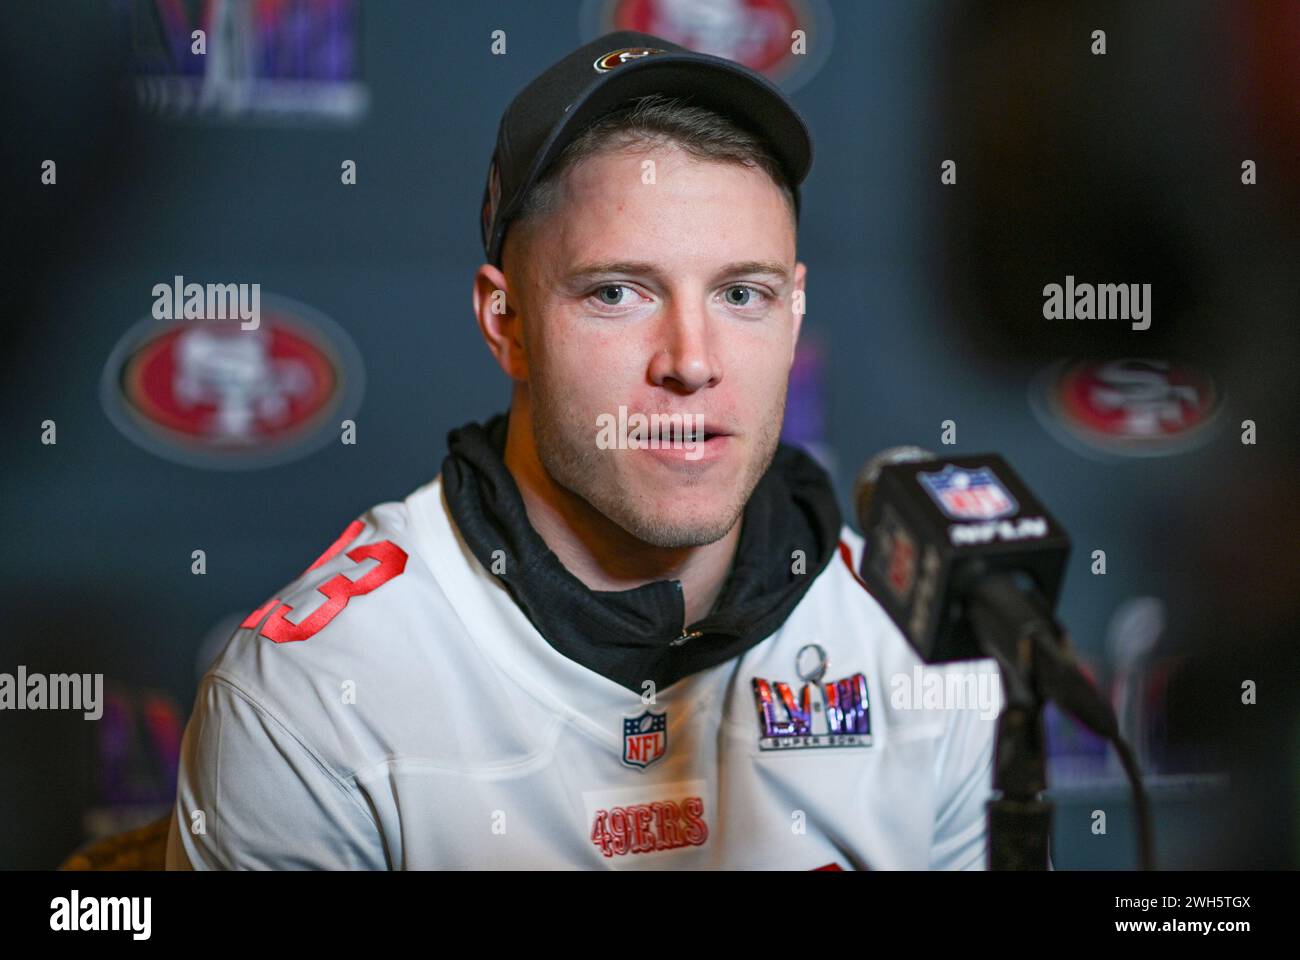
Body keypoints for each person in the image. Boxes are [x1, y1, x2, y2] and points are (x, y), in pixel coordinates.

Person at [165, 29, 999, 870]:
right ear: (508, 325)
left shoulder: (916, 646)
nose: (692, 361)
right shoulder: (316, 700)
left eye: (742, 293)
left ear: (793, 315)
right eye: (617, 293)